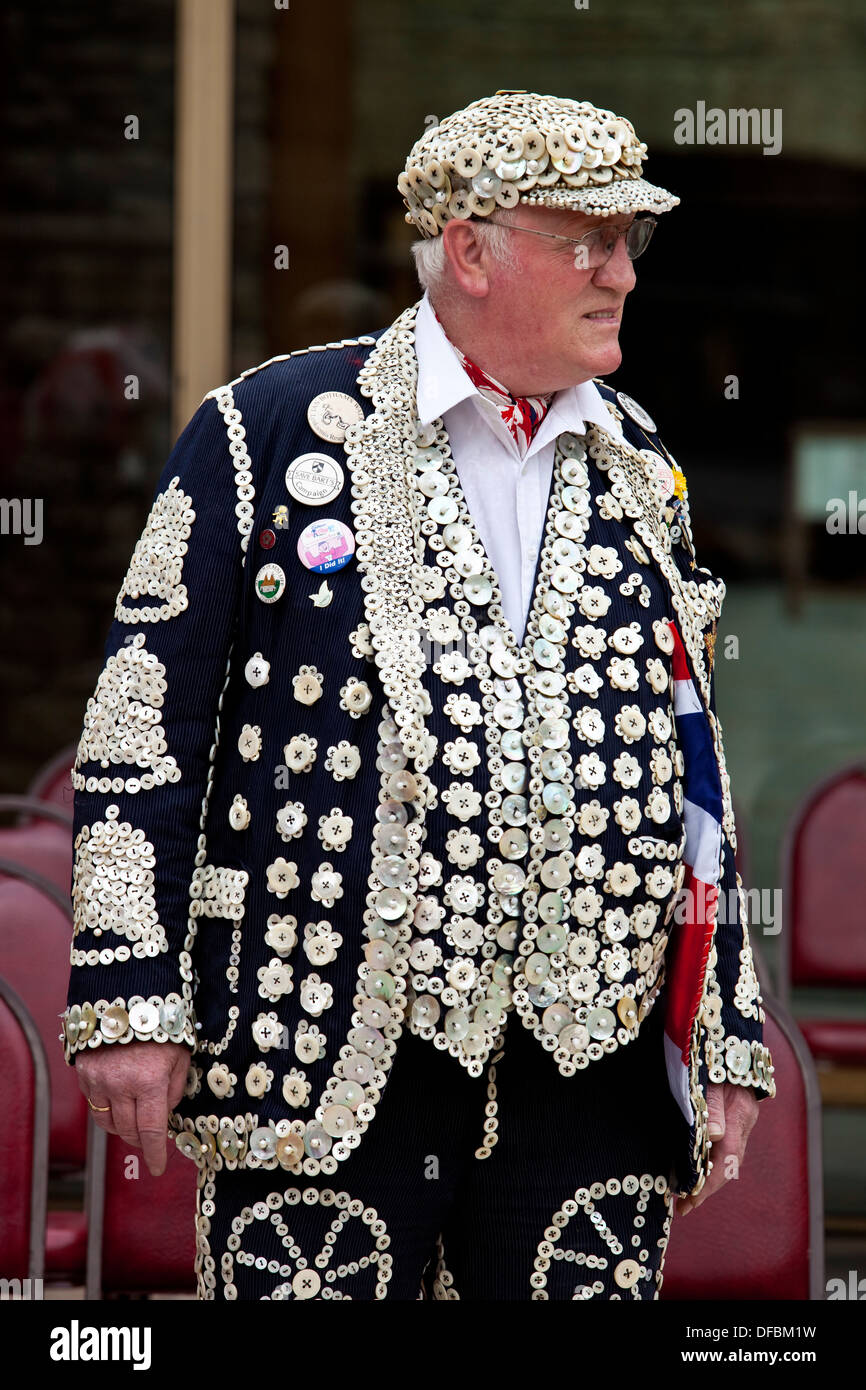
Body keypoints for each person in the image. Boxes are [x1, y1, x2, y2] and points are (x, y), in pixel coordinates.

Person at [61, 90, 775, 1302]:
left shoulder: (640, 460)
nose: (621, 274)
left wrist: (720, 1024)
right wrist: (128, 989)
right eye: (586, 241)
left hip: (583, 1066)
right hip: (320, 1045)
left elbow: (685, 763)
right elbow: (143, 726)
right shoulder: (265, 430)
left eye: (628, 243)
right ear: (470, 250)